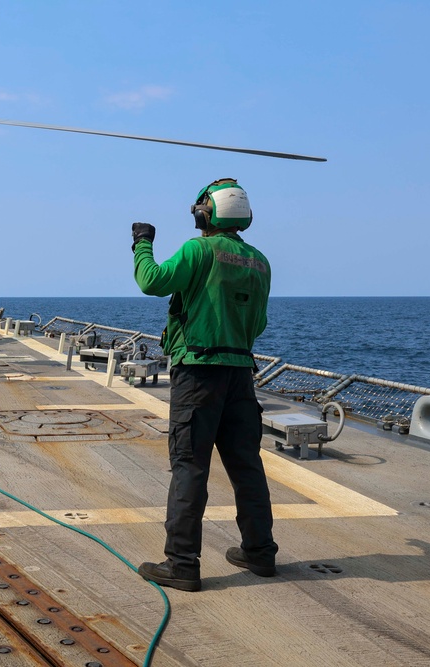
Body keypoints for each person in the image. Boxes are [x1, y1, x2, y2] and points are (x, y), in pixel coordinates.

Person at [131, 178, 277, 593]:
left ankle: (181, 563)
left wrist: (142, 243)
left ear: (204, 213)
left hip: (198, 373)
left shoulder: (199, 250)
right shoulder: (260, 262)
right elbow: (260, 323)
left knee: (190, 467)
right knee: (246, 466)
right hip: (240, 376)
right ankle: (260, 552)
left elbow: (152, 282)